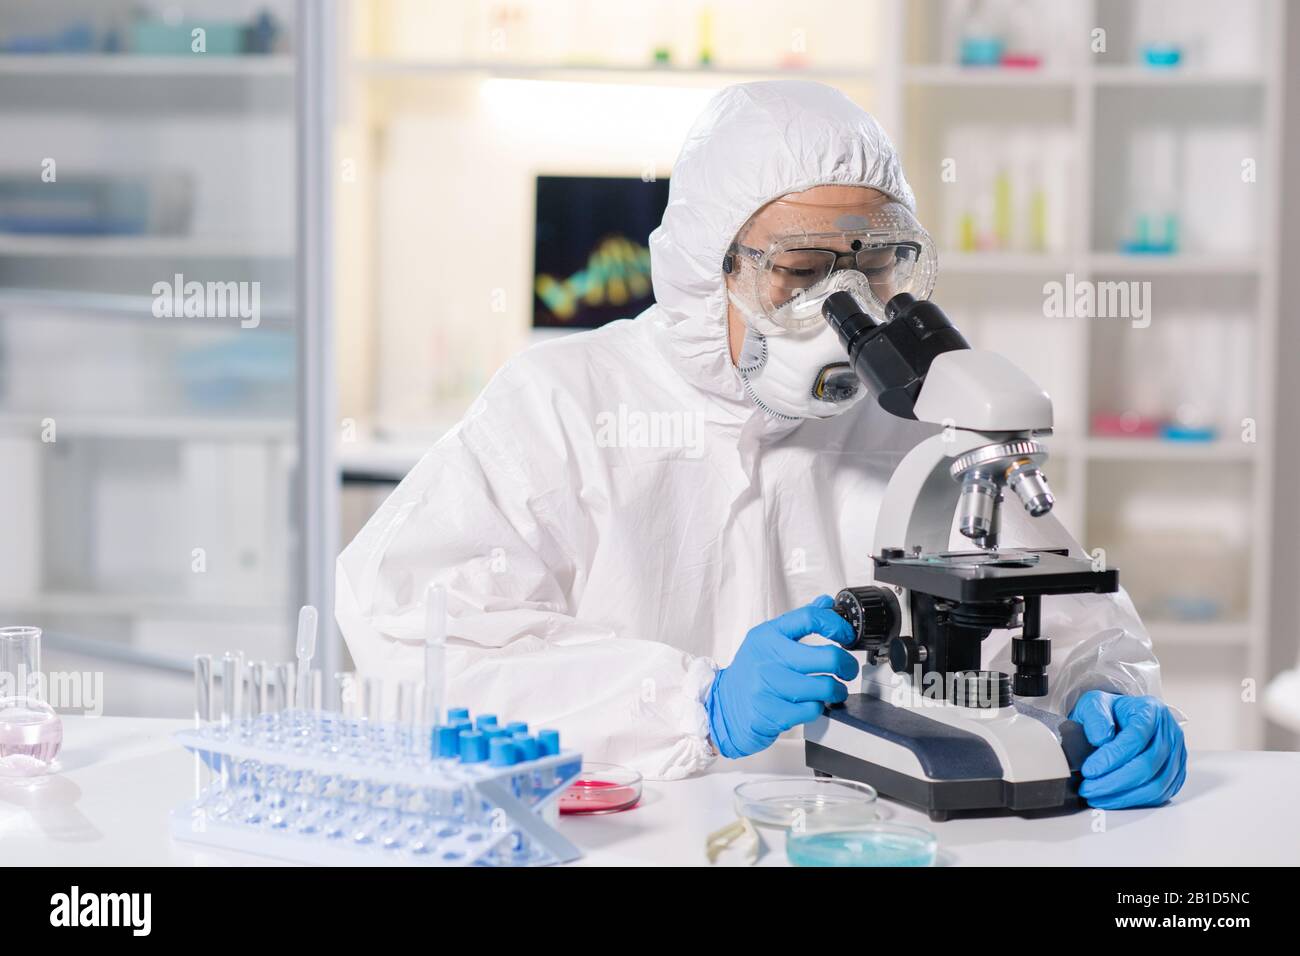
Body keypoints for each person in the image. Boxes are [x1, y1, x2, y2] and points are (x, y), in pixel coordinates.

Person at [336, 80, 1185, 809]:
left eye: (878, 264)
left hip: (867, 831)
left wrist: (1111, 700)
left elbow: (1077, 628)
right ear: (714, 268)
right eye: (802, 269)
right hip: (636, 832)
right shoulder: (562, 405)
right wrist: (690, 705)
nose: (843, 305)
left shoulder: (924, 420)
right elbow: (411, 642)